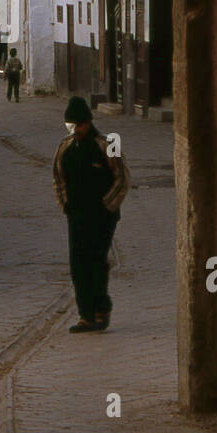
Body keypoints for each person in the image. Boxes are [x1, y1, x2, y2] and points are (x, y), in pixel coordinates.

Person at [52, 95, 130, 332]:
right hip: (76, 215)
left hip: (102, 217)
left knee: (97, 262)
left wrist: (107, 206)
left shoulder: (106, 146)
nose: (75, 131)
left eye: (78, 125)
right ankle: (85, 315)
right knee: (78, 264)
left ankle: (101, 309)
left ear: (87, 123)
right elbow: (58, 177)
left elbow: (122, 179)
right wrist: (65, 204)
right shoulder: (65, 147)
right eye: (71, 126)